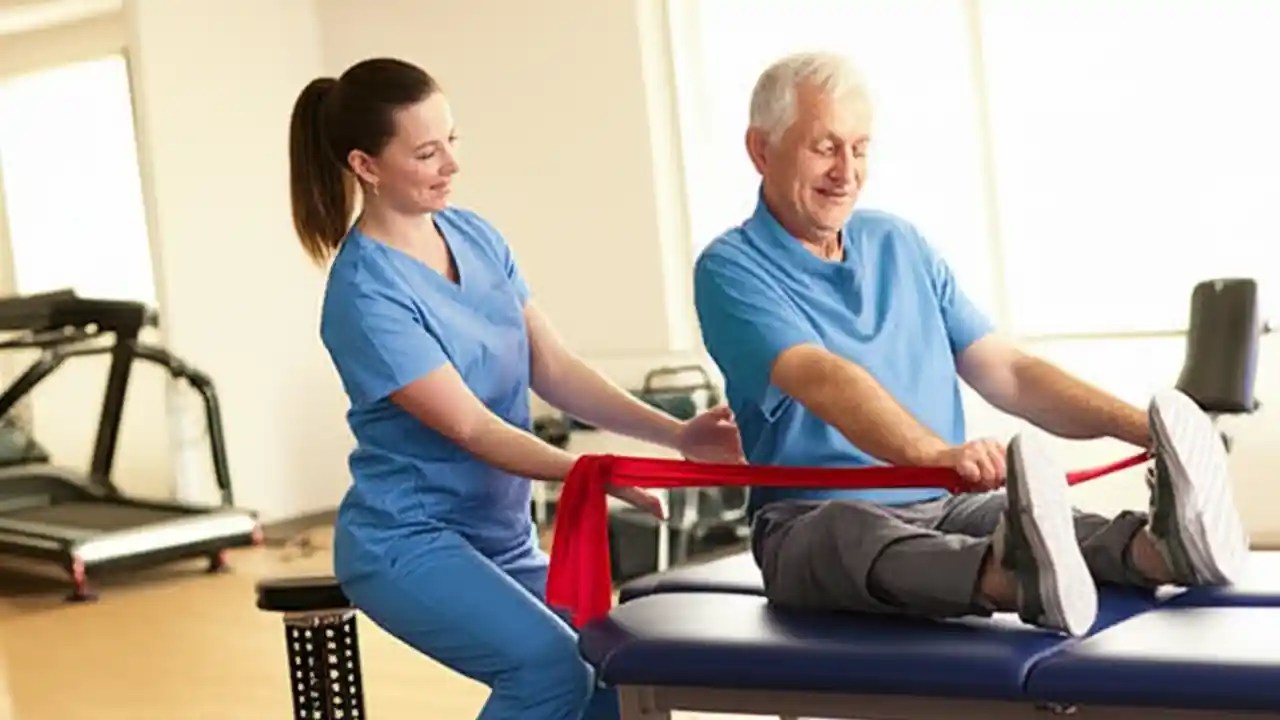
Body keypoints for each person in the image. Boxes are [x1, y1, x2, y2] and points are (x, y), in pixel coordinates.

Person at [692, 50, 1250, 637]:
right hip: (807, 523)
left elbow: (1009, 371)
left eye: (860, 148)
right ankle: (1009, 577)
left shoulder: (898, 243)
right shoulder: (731, 268)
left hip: (943, 503)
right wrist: (933, 453)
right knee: (846, 530)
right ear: (761, 150)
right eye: (825, 147)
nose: (847, 172)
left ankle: (1160, 551)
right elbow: (820, 375)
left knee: (1028, 518)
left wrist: (1141, 428)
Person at [287, 57, 746, 720]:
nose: (451, 163)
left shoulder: (474, 235)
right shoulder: (364, 294)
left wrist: (678, 434)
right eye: (425, 152)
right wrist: (593, 473)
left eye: (452, 140)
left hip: (500, 536)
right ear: (365, 165)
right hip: (409, 541)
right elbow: (472, 428)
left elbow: (553, 367)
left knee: (618, 661)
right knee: (549, 669)